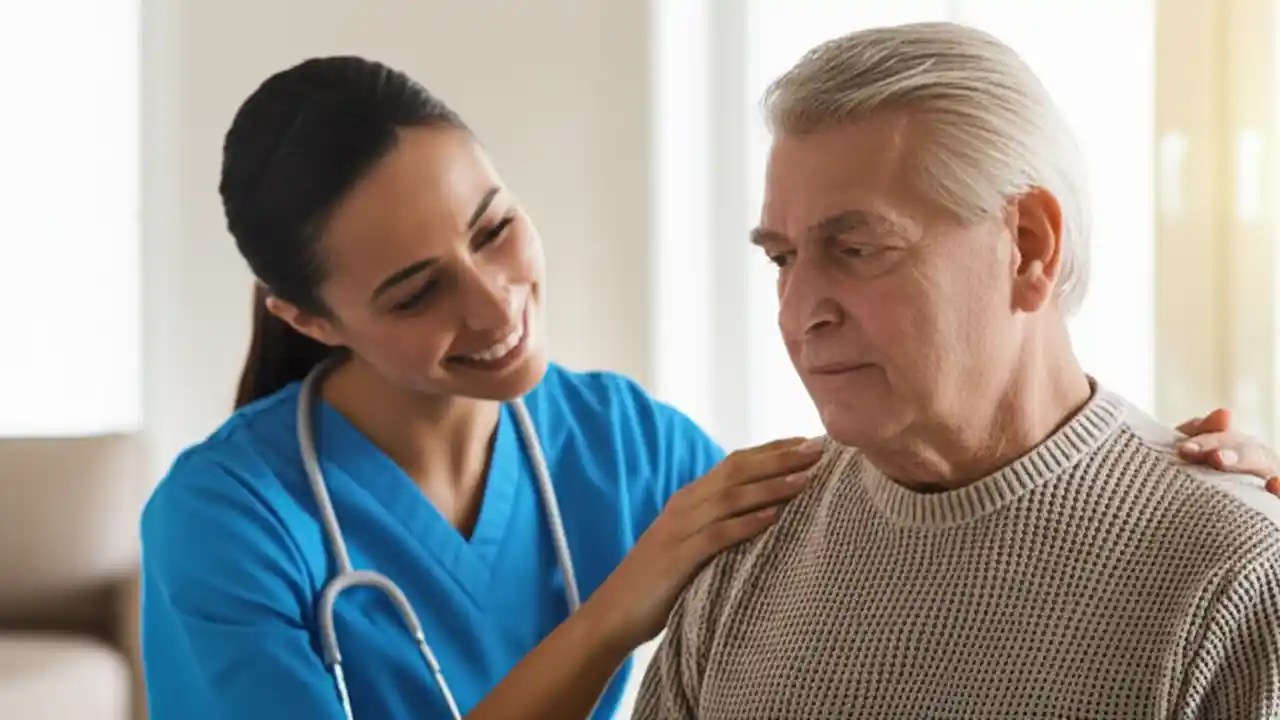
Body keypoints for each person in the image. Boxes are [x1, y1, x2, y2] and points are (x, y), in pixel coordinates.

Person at [137, 56, 1279, 720]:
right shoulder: (228, 520)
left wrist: (1156, 488)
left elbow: (925, 488)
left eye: (492, 231)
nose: (492, 308)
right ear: (307, 318)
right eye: (413, 291)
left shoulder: (625, 447)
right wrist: (612, 616)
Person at [634, 22, 1280, 719]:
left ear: (1030, 246)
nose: (799, 314)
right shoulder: (749, 543)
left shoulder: (1235, 574)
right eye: (782, 258)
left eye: (854, 249)